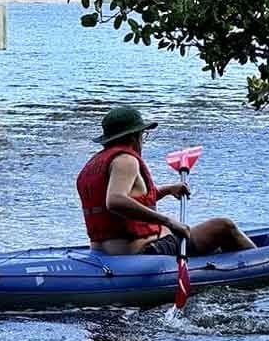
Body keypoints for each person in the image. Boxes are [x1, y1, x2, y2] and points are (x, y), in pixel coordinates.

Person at [77, 106, 256, 256]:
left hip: (103, 253)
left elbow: (132, 199)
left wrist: (167, 190)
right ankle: (259, 264)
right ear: (134, 137)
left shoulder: (94, 164)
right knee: (224, 226)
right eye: (143, 135)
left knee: (199, 238)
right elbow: (115, 201)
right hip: (142, 253)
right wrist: (168, 221)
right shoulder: (126, 160)